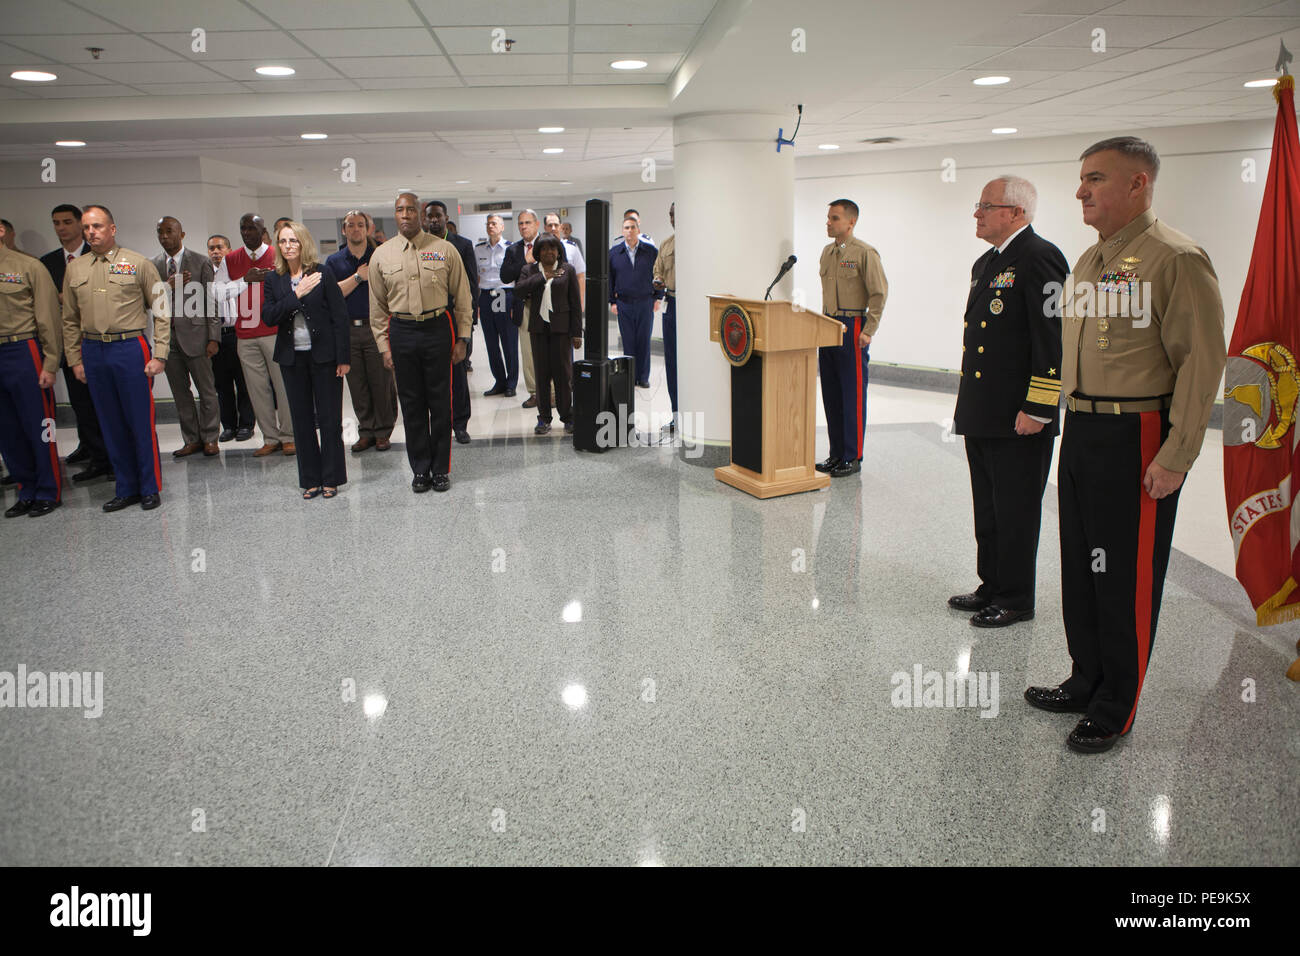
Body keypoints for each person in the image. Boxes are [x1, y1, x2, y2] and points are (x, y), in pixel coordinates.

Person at [1024, 136, 1227, 754]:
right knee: (1083, 567)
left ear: (1138, 184)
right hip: (1083, 428)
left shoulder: (1176, 258)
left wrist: (1177, 454)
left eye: (1096, 179)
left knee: (1126, 577)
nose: (1081, 190)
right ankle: (1086, 677)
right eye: (1081, 179)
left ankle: (1118, 703)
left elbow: (1201, 361)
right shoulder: (1089, 262)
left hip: (1137, 432)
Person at [948, 177, 1067, 628]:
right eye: (978, 205)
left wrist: (1039, 408)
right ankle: (993, 584)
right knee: (990, 506)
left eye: (985, 205)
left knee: (1016, 509)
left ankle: (1016, 597)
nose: (976, 213)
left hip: (1020, 415)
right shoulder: (988, 261)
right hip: (984, 411)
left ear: (1016, 213)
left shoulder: (1040, 257)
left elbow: (1051, 339)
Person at [62, 204, 169, 512]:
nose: (91, 232)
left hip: (129, 348)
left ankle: (148, 487)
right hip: (93, 350)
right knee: (109, 423)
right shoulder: (76, 268)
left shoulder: (137, 263)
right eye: (86, 228)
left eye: (97, 226)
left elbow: (161, 311)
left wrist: (160, 353)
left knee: (139, 422)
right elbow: (68, 318)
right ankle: (126, 487)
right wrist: (75, 359)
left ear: (112, 229)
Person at [368, 192, 472, 494]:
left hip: (438, 329)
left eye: (410, 210)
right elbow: (377, 308)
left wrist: (462, 339)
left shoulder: (444, 250)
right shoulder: (382, 255)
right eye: (399, 210)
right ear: (395, 214)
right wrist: (384, 347)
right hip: (401, 332)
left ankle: (440, 469)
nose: (405, 215)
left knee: (440, 402)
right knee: (411, 404)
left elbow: (463, 298)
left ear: (421, 214)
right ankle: (420, 470)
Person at [261, 222, 351, 499]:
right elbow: (269, 316)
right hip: (292, 358)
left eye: (293, 241)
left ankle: (331, 478)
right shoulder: (273, 279)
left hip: (323, 356)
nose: (288, 246)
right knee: (301, 421)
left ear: (303, 244)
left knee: (329, 419)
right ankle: (310, 479)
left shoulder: (323, 273)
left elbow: (339, 317)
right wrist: (296, 294)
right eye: (283, 241)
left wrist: (343, 357)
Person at [816, 198, 888, 478]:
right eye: (829, 218)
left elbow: (879, 293)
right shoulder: (826, 253)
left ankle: (852, 455)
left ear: (851, 222)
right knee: (832, 393)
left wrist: (869, 329)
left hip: (853, 325)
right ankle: (836, 454)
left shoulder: (864, 253)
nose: (829, 223)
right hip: (827, 325)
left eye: (834, 218)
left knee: (852, 393)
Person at [213, 212, 295, 457]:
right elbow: (216, 293)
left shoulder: (277, 255)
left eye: (252, 228)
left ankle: (289, 436)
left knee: (283, 386)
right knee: (257, 390)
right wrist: (244, 281)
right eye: (243, 229)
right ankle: (270, 438)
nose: (247, 233)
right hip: (245, 335)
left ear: (262, 231)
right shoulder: (231, 260)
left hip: (275, 332)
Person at [39, 203, 110, 482]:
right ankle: (97, 458)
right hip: (68, 344)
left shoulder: (100, 256)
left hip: (99, 342)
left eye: (67, 222)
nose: (61, 228)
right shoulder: (48, 263)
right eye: (56, 223)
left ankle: (114, 458)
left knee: (105, 404)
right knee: (82, 405)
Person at [0, 242, 63, 517]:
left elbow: (48, 318)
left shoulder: (28, 266)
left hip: (23, 349)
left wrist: (50, 362)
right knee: (7, 431)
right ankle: (26, 490)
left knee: (39, 426)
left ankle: (49, 490)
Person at [325, 211, 396, 453]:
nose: (355, 229)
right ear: (344, 230)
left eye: (360, 225)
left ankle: (383, 432)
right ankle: (366, 430)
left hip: (376, 328)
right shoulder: (334, 261)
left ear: (368, 229)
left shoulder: (380, 255)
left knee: (381, 383)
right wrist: (357, 277)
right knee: (357, 385)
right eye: (350, 226)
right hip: (347, 331)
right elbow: (333, 295)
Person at [152, 216, 220, 458]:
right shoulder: (153, 265)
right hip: (167, 339)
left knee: (207, 390)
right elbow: (148, 302)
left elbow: (211, 301)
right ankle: (191, 439)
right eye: (160, 232)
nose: (164, 236)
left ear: (182, 234)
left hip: (197, 336)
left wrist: (214, 337)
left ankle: (211, 438)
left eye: (169, 231)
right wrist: (166, 286)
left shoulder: (200, 262)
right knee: (181, 393)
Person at [515, 235, 582, 435]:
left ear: (558, 250)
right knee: (541, 376)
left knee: (564, 375)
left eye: (552, 248)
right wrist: (543, 277)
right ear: (537, 252)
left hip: (561, 331)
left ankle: (567, 417)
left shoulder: (568, 270)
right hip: (538, 330)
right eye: (543, 249)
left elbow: (575, 303)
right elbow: (518, 291)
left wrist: (576, 333)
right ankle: (544, 418)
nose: (548, 252)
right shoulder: (529, 270)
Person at [425, 200, 478, 444]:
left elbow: (470, 286)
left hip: (455, 319)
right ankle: (439, 424)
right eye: (430, 216)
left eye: (438, 215)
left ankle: (460, 424)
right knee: (432, 377)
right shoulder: (419, 245)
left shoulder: (462, 245)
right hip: (428, 321)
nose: (434, 220)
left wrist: (469, 323)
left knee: (457, 374)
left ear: (446, 217)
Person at [206, 234, 255, 442]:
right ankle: (228, 426)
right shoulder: (206, 275)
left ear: (229, 249)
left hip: (238, 332)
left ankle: (246, 425)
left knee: (243, 381)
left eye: (220, 247)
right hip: (218, 336)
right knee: (221, 384)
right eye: (211, 248)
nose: (215, 252)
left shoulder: (240, 272)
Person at [608, 216, 661, 389]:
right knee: (628, 341)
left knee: (644, 340)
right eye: (626, 228)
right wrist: (612, 301)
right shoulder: (614, 253)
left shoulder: (650, 251)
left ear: (638, 229)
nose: (629, 231)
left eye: (632, 227)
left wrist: (658, 297)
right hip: (624, 303)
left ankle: (643, 377)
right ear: (622, 231)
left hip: (645, 301)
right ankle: (630, 376)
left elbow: (658, 275)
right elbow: (610, 279)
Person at [499, 210, 543, 408]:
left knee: (550, 349)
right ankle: (535, 392)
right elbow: (505, 275)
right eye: (520, 223)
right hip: (524, 305)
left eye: (527, 223)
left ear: (536, 224)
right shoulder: (514, 250)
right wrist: (525, 261)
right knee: (528, 351)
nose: (523, 227)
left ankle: (551, 391)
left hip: (548, 305)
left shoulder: (548, 244)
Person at [475, 214, 517, 397]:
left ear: (502, 227)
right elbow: (476, 276)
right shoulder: (479, 250)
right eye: (488, 224)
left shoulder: (511, 249)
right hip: (486, 296)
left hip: (503, 294)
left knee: (508, 340)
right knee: (491, 342)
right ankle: (499, 381)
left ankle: (511, 383)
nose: (490, 226)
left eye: (494, 224)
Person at [652, 202, 677, 433]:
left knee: (692, 362)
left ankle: (696, 414)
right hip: (673, 302)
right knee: (672, 361)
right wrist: (658, 280)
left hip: (694, 306)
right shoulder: (666, 244)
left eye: (676, 214)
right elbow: (657, 270)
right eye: (670, 214)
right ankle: (676, 415)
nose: (672, 218)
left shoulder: (700, 242)